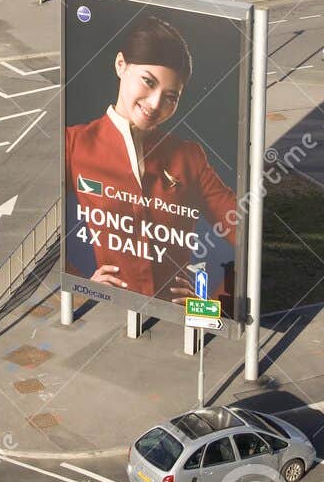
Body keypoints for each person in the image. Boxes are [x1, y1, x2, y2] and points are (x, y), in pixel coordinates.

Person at [64, 15, 238, 306]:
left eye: (171, 97)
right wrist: (82, 286)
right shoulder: (74, 143)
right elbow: (34, 229)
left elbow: (246, 232)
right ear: (121, 65)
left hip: (176, 318)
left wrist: (212, 305)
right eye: (148, 81)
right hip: (111, 311)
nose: (156, 104)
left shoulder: (190, 157)